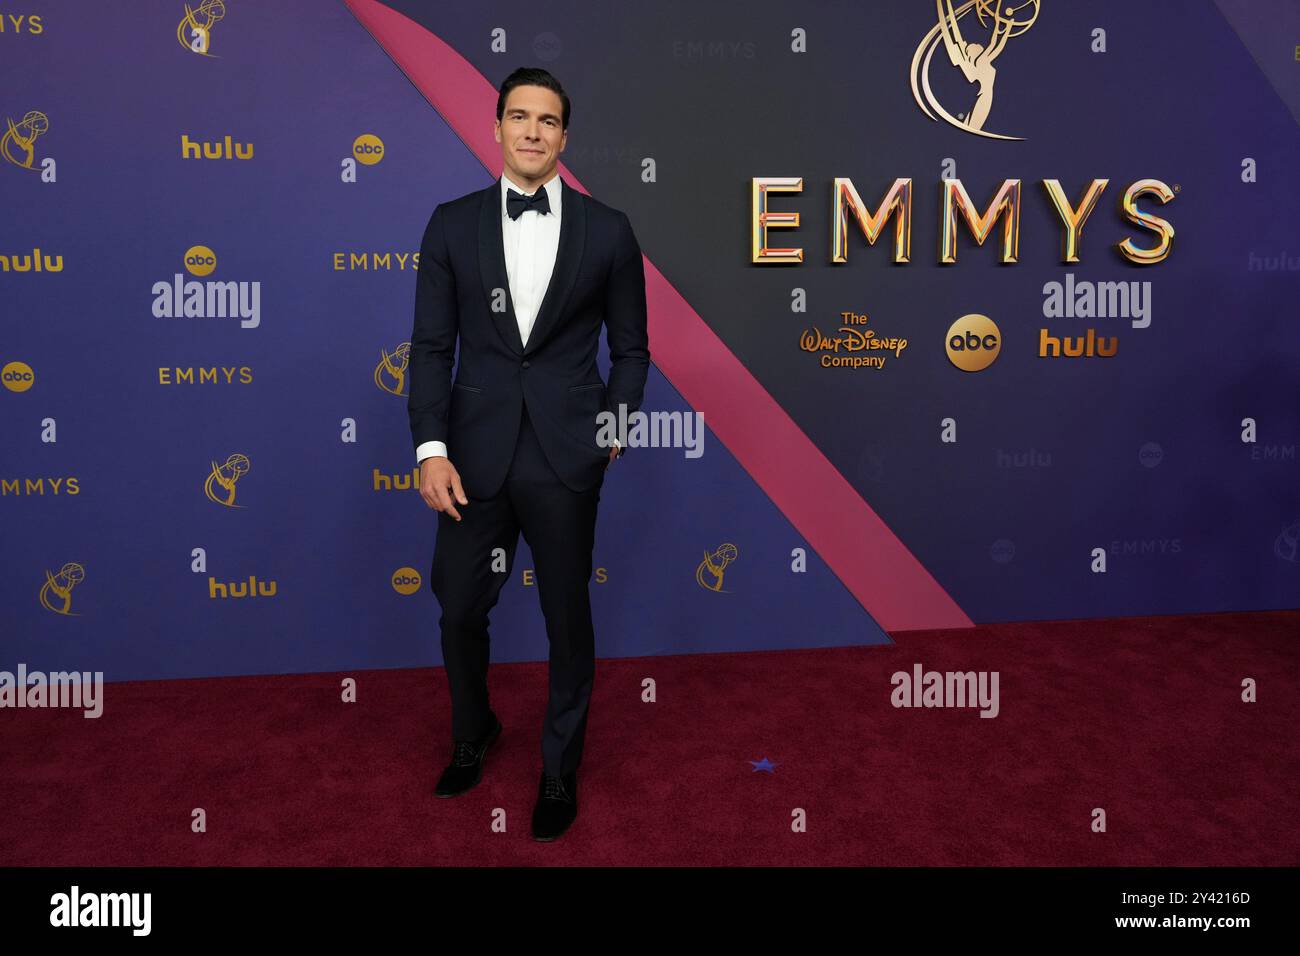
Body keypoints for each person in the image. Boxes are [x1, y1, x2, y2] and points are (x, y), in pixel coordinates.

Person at [407, 67, 649, 841]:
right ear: (498, 127)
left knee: (566, 617)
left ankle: (558, 768)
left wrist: (611, 428)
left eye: (548, 120)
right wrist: (431, 448)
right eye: (520, 116)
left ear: (564, 137)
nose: (534, 131)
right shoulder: (450, 224)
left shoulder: (608, 229)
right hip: (472, 458)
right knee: (458, 609)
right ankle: (474, 733)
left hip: (564, 455)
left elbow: (633, 352)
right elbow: (431, 348)